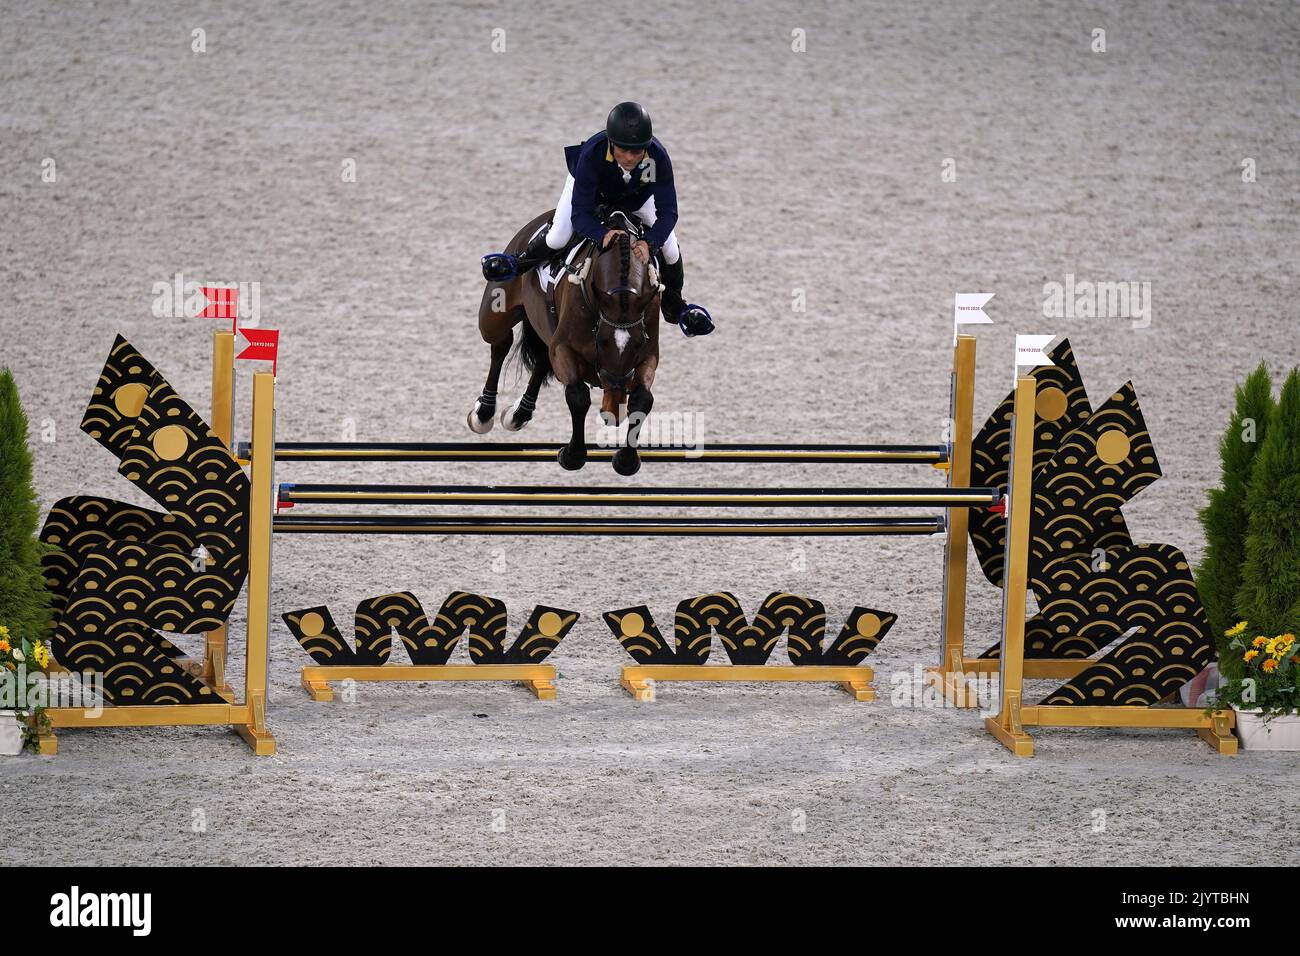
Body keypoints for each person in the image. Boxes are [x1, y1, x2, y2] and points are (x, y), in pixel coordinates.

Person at [481, 102, 714, 336]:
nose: (631, 158)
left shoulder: (657, 157)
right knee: (559, 235)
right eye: (624, 150)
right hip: (591, 196)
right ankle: (518, 263)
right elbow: (580, 214)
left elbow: (669, 212)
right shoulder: (593, 155)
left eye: (637, 151)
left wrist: (649, 242)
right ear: (612, 143)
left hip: (637, 199)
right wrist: (602, 234)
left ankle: (677, 308)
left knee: (671, 249)